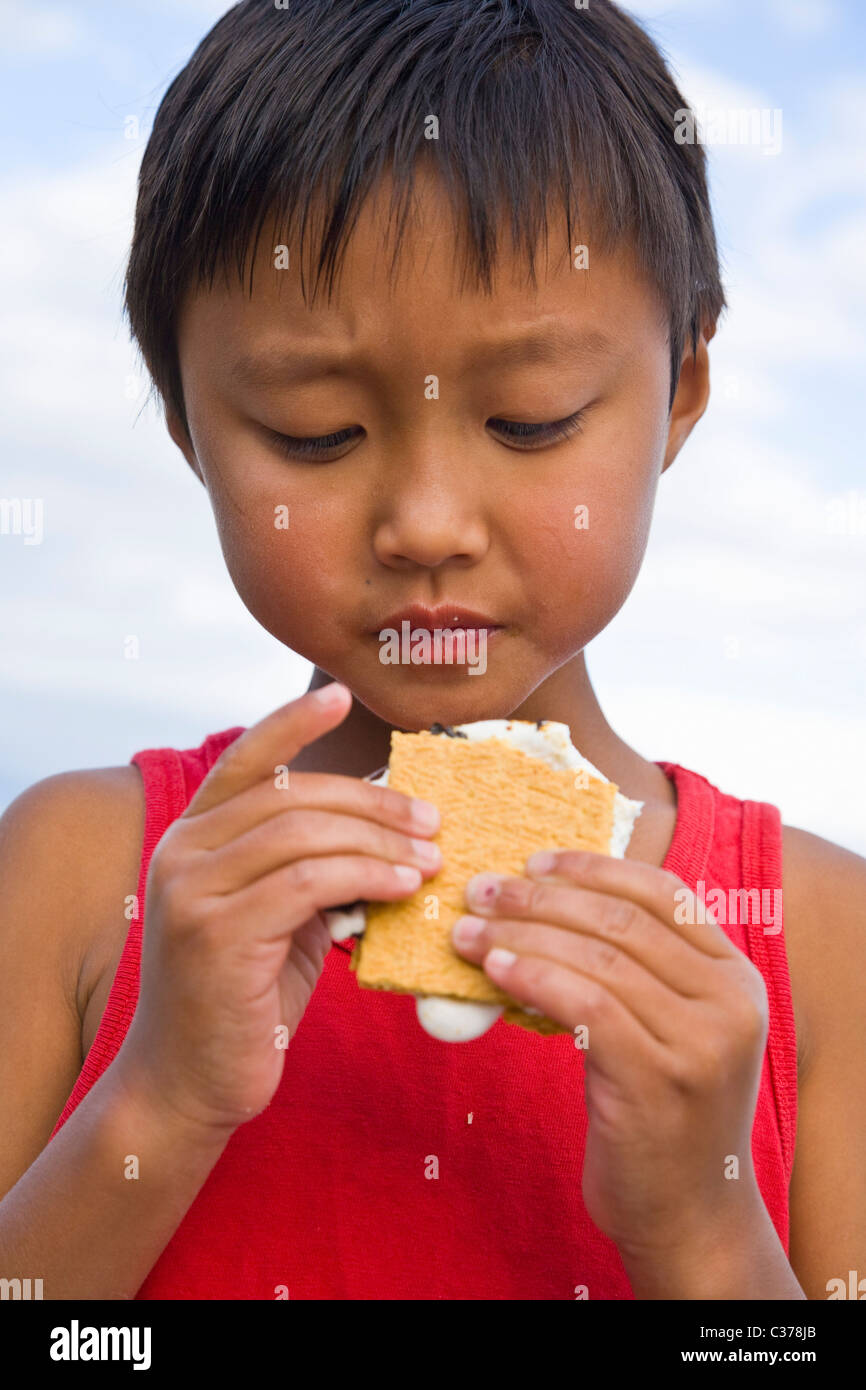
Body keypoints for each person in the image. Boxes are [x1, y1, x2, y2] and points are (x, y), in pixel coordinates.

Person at [1, 0, 863, 1301]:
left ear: (680, 388)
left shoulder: (814, 940)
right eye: (313, 435)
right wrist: (156, 1103)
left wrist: (700, 1226)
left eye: (528, 420)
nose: (426, 525)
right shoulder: (82, 872)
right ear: (185, 423)